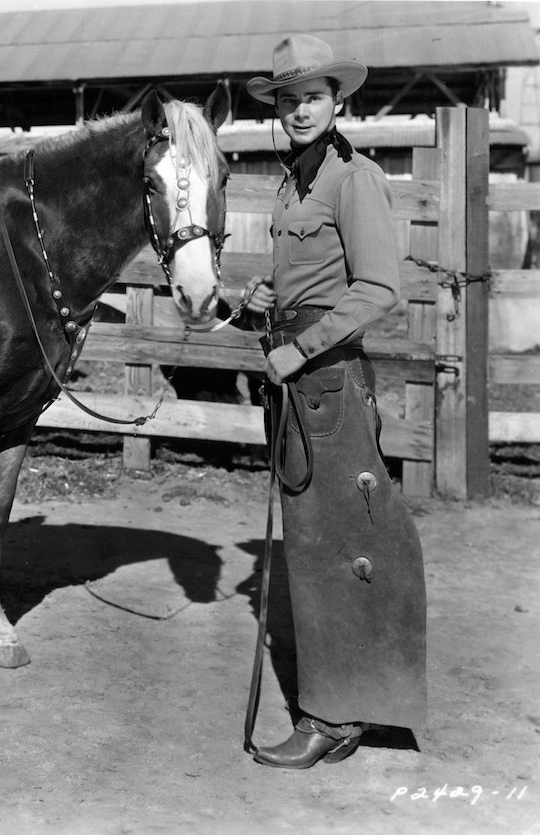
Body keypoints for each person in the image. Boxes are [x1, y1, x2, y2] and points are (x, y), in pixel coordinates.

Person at [239, 34, 427, 769]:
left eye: (312, 96)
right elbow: (315, 277)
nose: (299, 110)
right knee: (312, 544)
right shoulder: (296, 182)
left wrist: (297, 345)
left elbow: (380, 288)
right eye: (288, 99)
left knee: (333, 550)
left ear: (338, 101)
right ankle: (341, 706)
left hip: (330, 385)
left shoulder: (354, 177)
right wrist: (266, 300)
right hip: (297, 382)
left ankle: (331, 715)